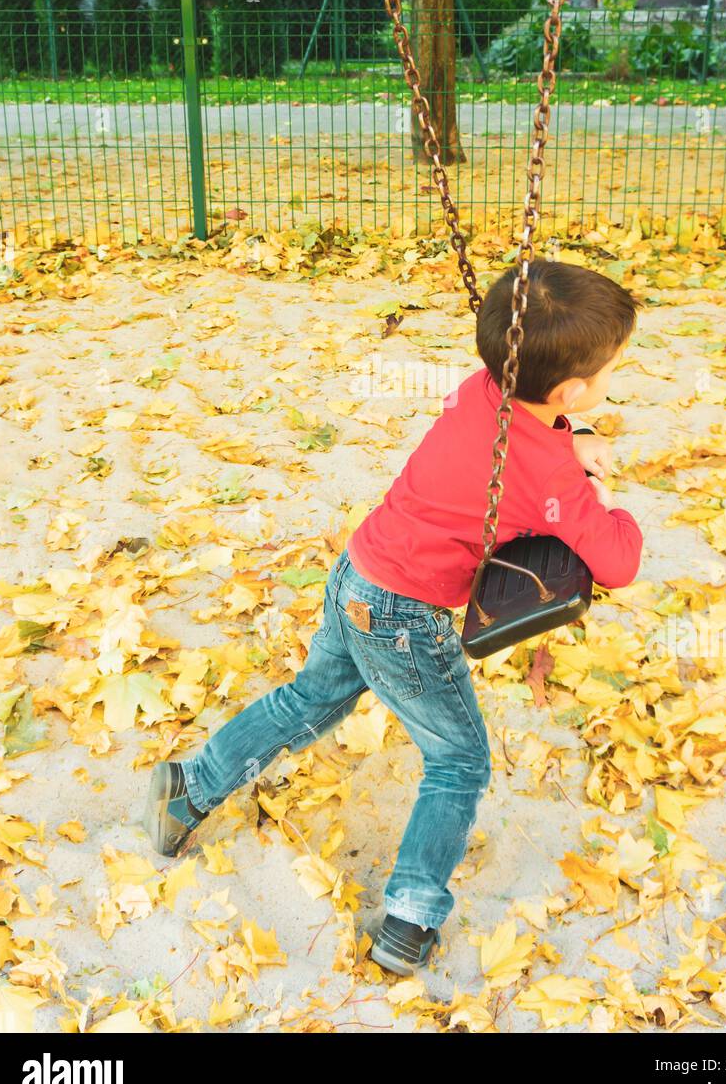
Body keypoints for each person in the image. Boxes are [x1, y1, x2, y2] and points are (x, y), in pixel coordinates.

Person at [143, 259, 643, 974]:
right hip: (405, 615)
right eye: (609, 371)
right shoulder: (553, 476)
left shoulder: (484, 388)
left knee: (309, 699)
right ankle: (410, 914)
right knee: (458, 759)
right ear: (568, 389)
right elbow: (617, 561)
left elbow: (533, 439)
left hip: (359, 568)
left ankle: (189, 789)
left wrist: (574, 435)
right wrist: (604, 492)